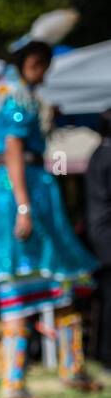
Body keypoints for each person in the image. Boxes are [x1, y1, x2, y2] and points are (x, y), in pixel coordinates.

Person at [0, 20, 101, 398]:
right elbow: (13, 147)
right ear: (31, 62)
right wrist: (25, 206)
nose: (46, 74)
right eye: (43, 65)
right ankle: (71, 368)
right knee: (63, 279)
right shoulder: (18, 98)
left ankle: (15, 380)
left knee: (14, 286)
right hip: (20, 190)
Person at [85, 108, 111, 367]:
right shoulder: (107, 156)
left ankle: (102, 354)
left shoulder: (97, 154)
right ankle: (105, 356)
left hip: (100, 239)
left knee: (105, 300)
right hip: (107, 240)